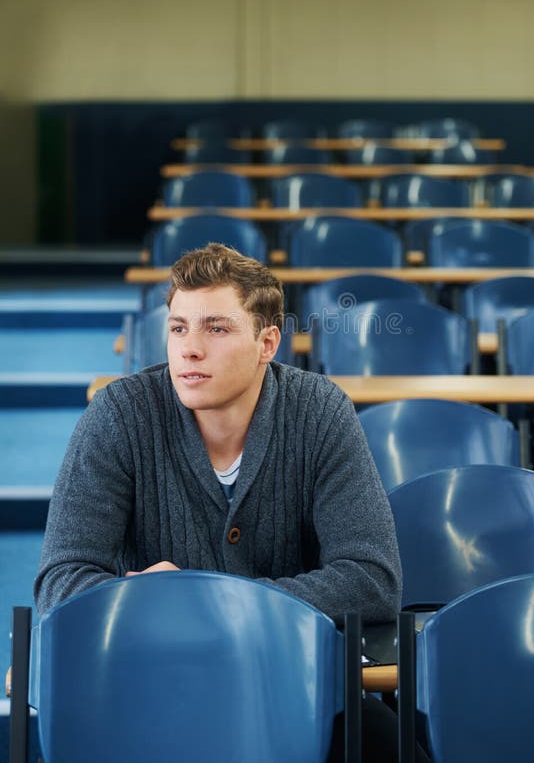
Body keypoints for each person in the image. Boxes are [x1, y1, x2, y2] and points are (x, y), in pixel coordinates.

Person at [35, 242, 403, 761]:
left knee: (386, 743)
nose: (189, 349)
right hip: (150, 680)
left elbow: (372, 579)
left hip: (288, 678)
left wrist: (205, 603)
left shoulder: (322, 413)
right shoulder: (118, 416)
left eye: (217, 328)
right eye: (179, 327)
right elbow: (60, 582)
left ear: (267, 342)